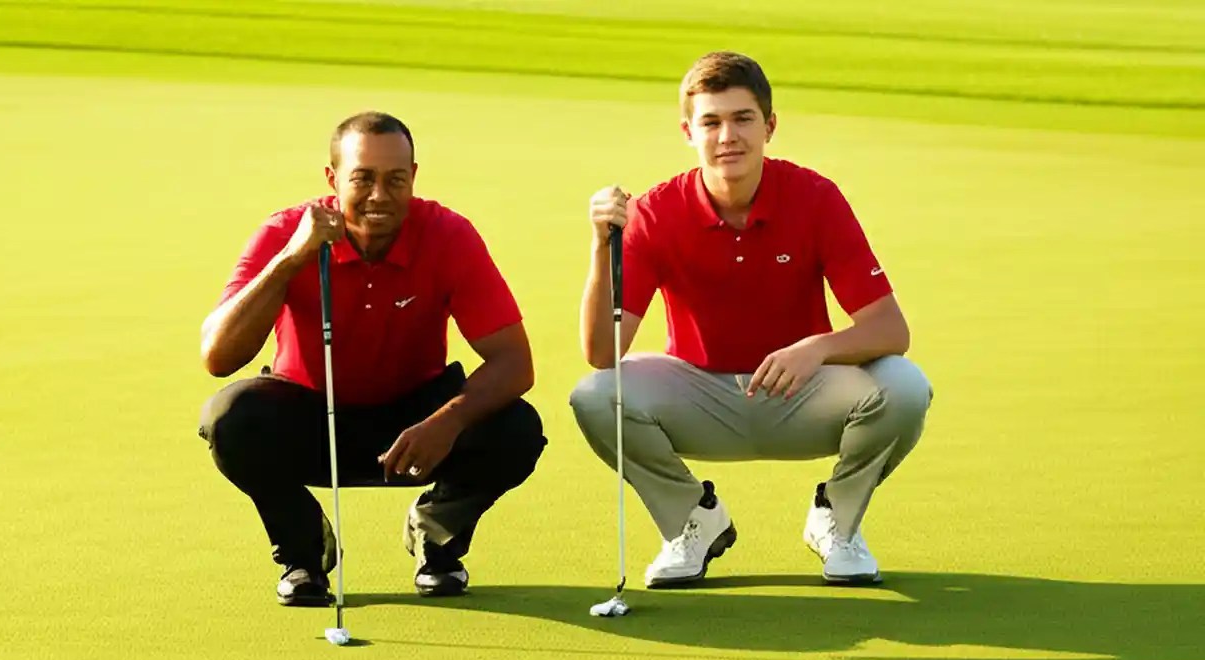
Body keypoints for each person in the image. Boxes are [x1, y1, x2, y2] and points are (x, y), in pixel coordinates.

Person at [571, 52, 932, 588]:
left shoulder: (815, 198)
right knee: (596, 394)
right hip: (699, 394)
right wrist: (603, 249)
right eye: (711, 122)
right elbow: (605, 353)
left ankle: (838, 518)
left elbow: (891, 332)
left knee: (904, 386)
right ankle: (692, 519)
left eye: (742, 119)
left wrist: (816, 347)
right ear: (688, 131)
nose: (727, 137)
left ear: (770, 126)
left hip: (803, 393)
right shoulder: (655, 213)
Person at [197, 111, 546, 605]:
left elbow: (515, 363)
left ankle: (437, 534)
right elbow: (217, 356)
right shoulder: (284, 233)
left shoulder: (447, 234)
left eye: (395, 180)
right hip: (312, 416)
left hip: (414, 423)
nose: (379, 195)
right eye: (362, 178)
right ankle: (305, 552)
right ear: (332, 178)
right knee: (230, 419)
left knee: (515, 427)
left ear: (413, 178)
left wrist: (446, 422)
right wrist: (290, 260)